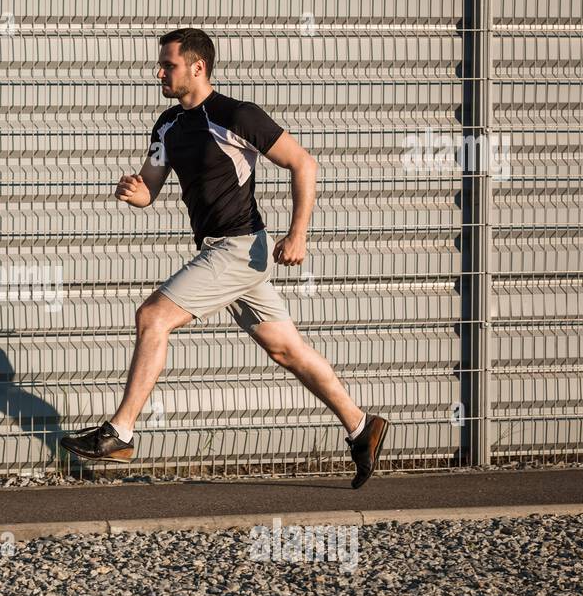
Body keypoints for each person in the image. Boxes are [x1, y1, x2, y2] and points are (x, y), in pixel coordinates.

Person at [60, 28, 389, 488]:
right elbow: (151, 187)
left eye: (168, 65)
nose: (160, 72)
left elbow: (303, 163)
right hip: (224, 252)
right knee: (286, 350)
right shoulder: (168, 125)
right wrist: (136, 192)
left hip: (239, 248)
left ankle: (121, 431)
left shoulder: (236, 115)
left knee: (153, 317)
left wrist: (298, 234)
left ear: (198, 67)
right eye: (161, 64)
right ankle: (360, 425)